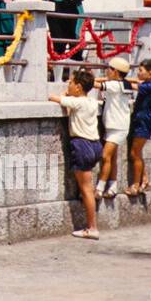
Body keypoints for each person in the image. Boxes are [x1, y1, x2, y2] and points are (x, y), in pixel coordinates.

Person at [49, 67, 103, 239]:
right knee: (88, 188)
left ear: (79, 87)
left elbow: (54, 98)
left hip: (82, 144)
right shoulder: (92, 102)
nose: (68, 84)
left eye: (71, 83)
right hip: (95, 144)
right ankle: (91, 223)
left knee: (86, 189)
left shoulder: (77, 102)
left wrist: (65, 93)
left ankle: (92, 228)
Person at [93, 56, 134, 199]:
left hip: (117, 127)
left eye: (109, 69)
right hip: (114, 126)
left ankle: (99, 188)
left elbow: (95, 85)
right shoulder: (124, 84)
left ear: (115, 72)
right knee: (112, 157)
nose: (107, 71)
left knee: (105, 156)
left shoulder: (114, 85)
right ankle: (113, 186)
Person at [126, 58, 151, 196]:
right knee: (138, 152)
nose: (138, 73)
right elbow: (135, 83)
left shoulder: (149, 86)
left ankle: (135, 184)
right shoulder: (150, 83)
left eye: (140, 71)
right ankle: (144, 179)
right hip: (141, 119)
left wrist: (119, 79)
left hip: (143, 121)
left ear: (150, 73)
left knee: (134, 153)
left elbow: (132, 84)